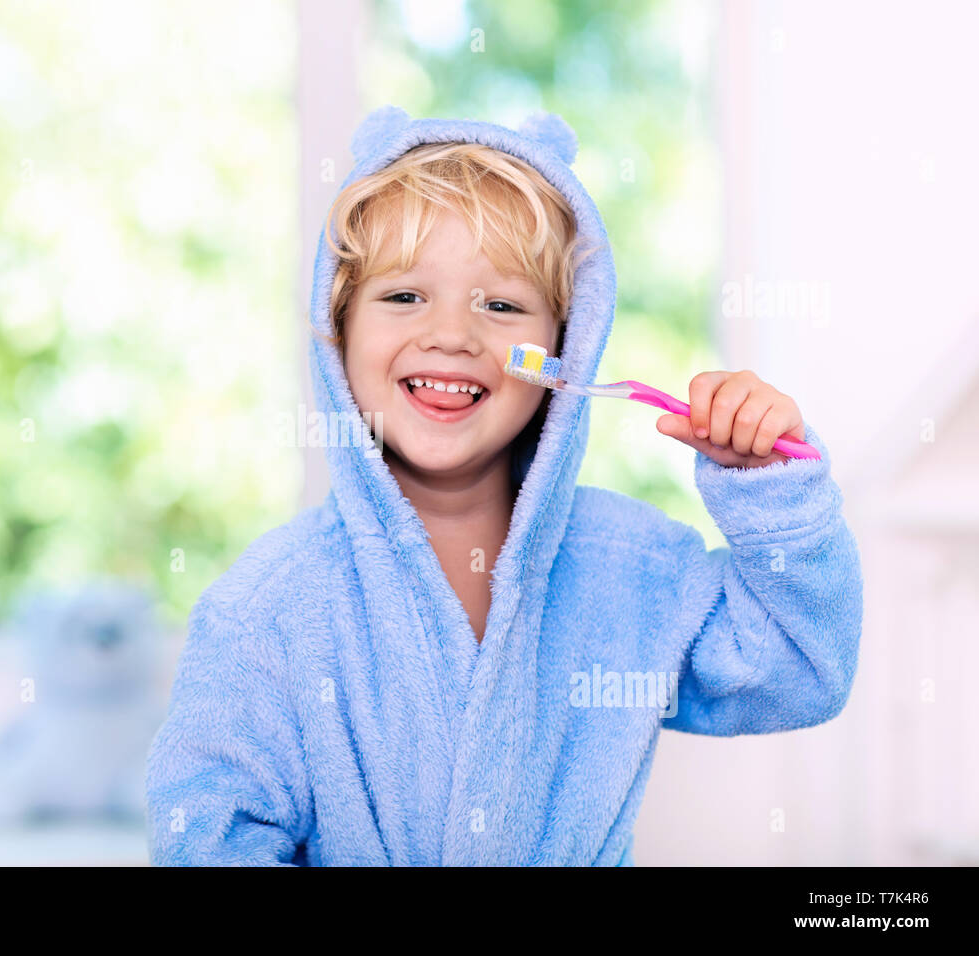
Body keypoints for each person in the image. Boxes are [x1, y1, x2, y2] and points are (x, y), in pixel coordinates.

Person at [145, 105, 862, 866]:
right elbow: (207, 837)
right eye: (403, 296)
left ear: (565, 349)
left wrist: (770, 491)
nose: (453, 335)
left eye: (501, 305)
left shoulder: (633, 573)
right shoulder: (269, 612)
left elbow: (798, 667)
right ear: (339, 328)